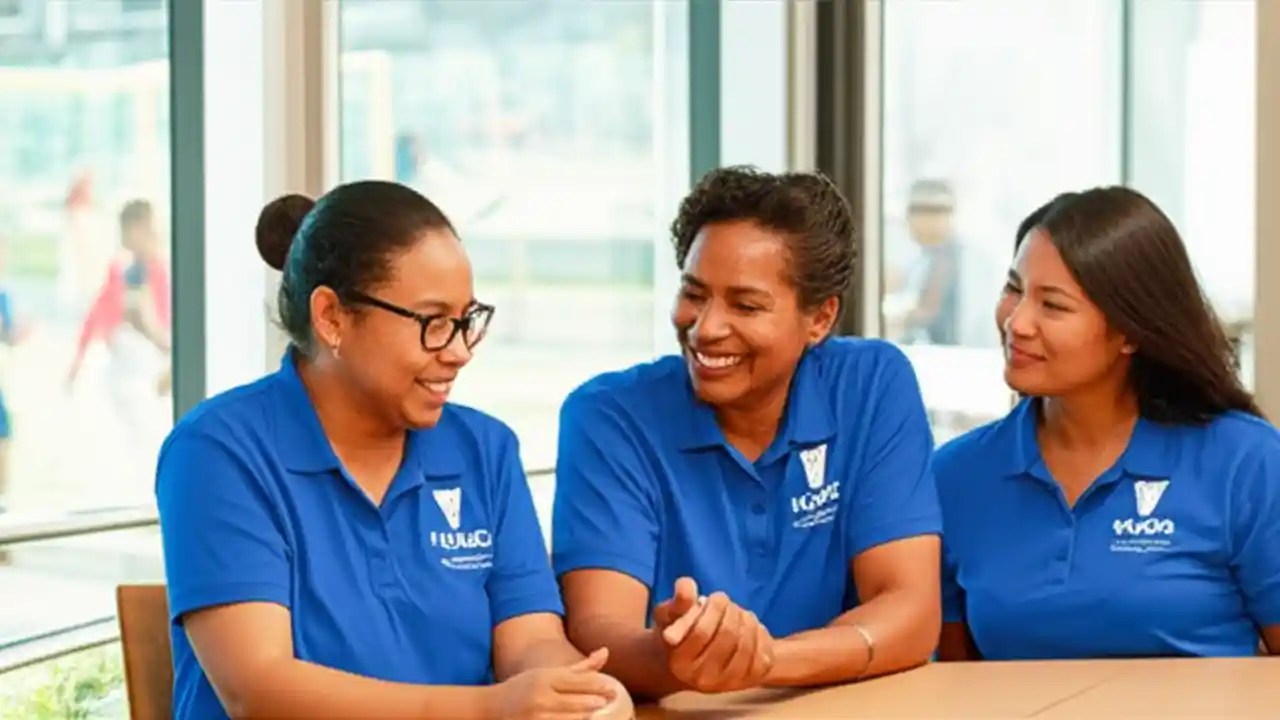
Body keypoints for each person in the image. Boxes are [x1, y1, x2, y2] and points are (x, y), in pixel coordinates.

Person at [156, 181, 625, 719]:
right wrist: (486, 709)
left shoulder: (485, 450)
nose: (459, 351)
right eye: (433, 323)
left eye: (467, 320)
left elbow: (529, 640)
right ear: (332, 316)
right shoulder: (218, 453)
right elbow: (259, 688)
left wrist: (581, 694)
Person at [552, 166, 942, 698]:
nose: (705, 328)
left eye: (746, 305)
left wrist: (760, 661)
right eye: (694, 293)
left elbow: (912, 611)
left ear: (821, 319)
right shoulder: (608, 415)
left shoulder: (871, 384)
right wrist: (677, 656)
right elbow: (599, 633)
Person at [935, 187, 1280, 661]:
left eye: (1052, 305)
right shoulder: (953, 476)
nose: (1017, 322)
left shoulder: (1245, 461)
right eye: (1014, 288)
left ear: (1130, 333)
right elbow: (955, 682)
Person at [892, 179, 960, 346]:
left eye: (916, 212)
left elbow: (928, 312)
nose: (909, 221)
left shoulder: (948, 259)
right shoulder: (924, 258)